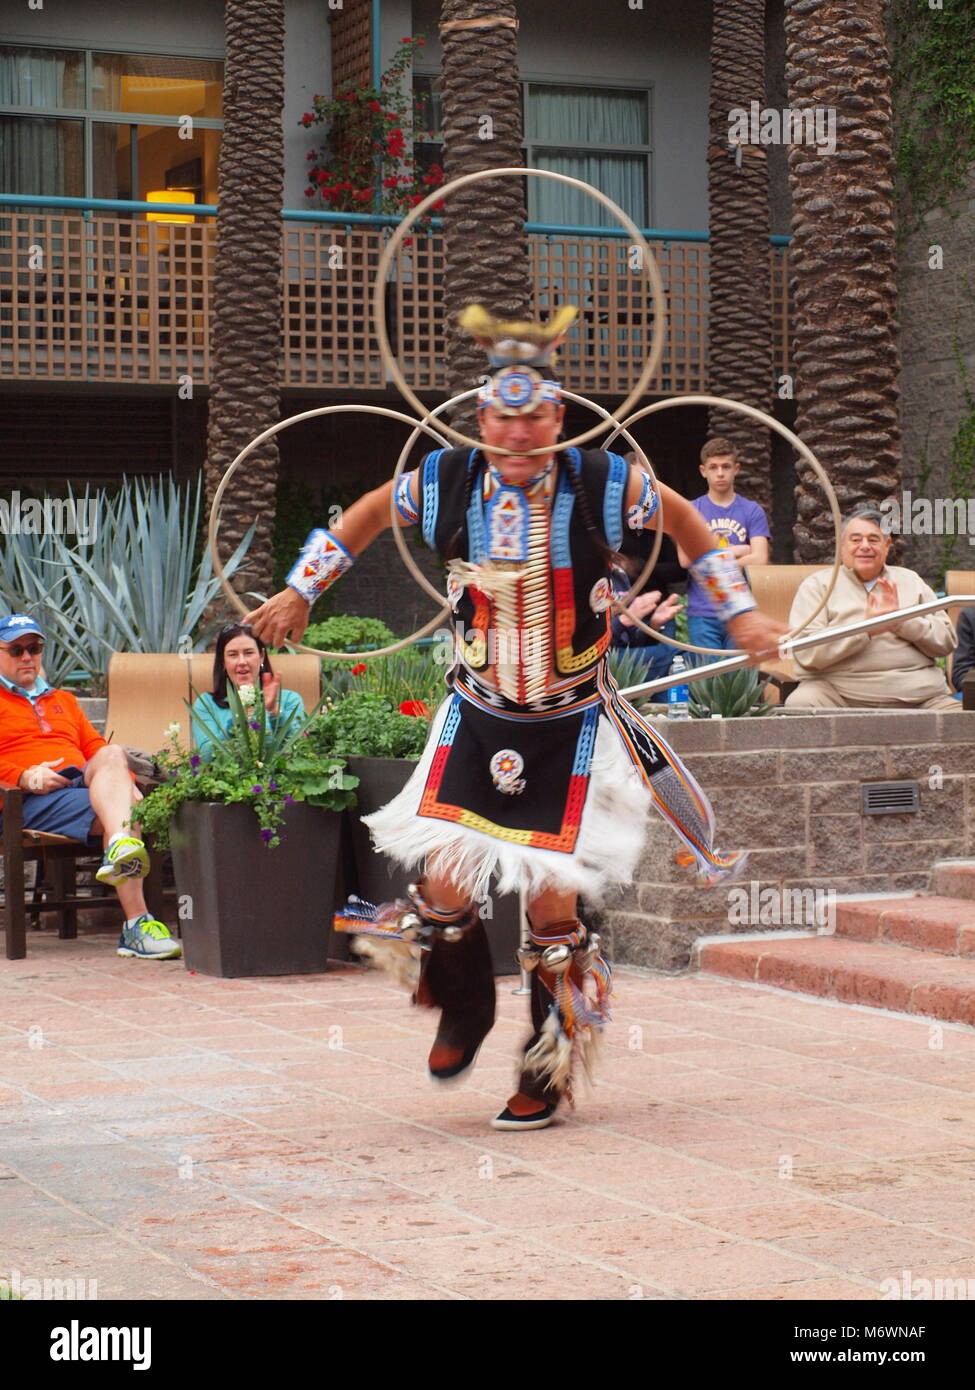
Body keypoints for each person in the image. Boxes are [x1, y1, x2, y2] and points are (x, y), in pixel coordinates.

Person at [247, 306, 784, 1130]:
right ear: (481, 418)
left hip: (571, 721)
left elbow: (687, 528)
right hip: (477, 710)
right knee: (441, 884)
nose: (520, 431)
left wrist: (739, 611)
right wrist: (300, 588)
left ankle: (547, 1067)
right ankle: (463, 1007)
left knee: (550, 905)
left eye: (535, 415)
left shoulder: (606, 482)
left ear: (558, 416)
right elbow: (363, 512)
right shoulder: (446, 479)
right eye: (504, 415)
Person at [0, 613, 180, 960]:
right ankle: (137, 925)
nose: (27, 657)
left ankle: (122, 849)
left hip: (79, 787)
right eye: (16, 649)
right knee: (128, 813)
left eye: (34, 648)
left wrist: (127, 785)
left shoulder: (63, 700)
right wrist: (24, 777)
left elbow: (98, 752)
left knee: (113, 753)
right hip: (27, 799)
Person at [783, 506, 958, 709]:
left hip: (920, 696)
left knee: (963, 721)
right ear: (841, 546)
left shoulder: (910, 580)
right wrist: (864, 629)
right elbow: (806, 652)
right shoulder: (817, 586)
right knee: (802, 703)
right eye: (856, 540)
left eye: (873, 540)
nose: (865, 546)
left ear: (887, 545)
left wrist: (902, 621)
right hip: (840, 695)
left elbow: (946, 642)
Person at [677, 437, 771, 651]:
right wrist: (739, 550)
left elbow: (760, 558)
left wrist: (708, 558)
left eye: (726, 467)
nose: (720, 473)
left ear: (736, 469)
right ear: (703, 471)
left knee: (740, 680)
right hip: (703, 610)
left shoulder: (752, 510)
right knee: (707, 681)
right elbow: (685, 559)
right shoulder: (691, 509)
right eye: (713, 467)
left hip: (742, 608)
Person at [191, 624, 304, 760]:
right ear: (223, 661)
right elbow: (208, 755)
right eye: (233, 655)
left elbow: (298, 750)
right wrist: (240, 717)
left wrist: (274, 712)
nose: (242, 661)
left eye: (248, 653)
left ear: (261, 656)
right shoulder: (206, 704)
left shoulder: (290, 699)